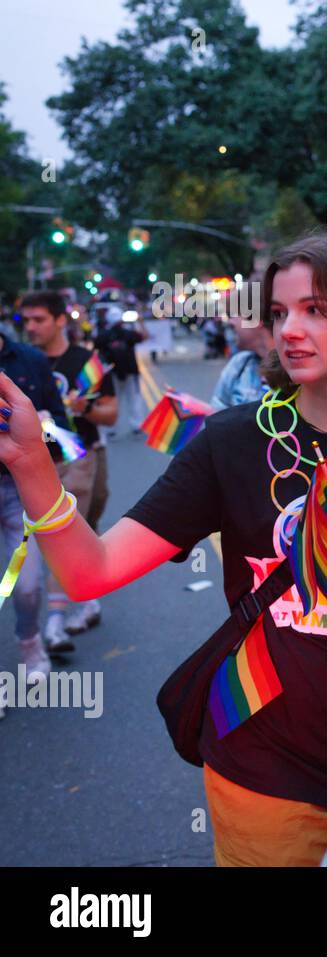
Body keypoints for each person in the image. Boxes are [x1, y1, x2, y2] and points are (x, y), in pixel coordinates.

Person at [0, 232, 327, 863]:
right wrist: (33, 469)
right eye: (280, 312)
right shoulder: (229, 444)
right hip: (264, 763)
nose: (289, 329)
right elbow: (90, 571)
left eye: (316, 309)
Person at [21, 291, 119, 654]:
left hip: (78, 452)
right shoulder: (20, 362)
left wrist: (83, 409)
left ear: (61, 320)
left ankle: (56, 621)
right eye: (25, 321)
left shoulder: (84, 362)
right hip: (33, 461)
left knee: (68, 532)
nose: (30, 327)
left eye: (38, 320)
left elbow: (111, 414)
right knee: (61, 536)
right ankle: (83, 602)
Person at [0, 313, 71, 696]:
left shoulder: (29, 360)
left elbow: (59, 421)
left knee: (25, 585)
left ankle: (30, 643)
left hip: (16, 490)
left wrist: (45, 425)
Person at [94, 308, 147, 435]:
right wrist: (141, 322)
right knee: (133, 398)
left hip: (112, 373)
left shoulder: (103, 335)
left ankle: (111, 427)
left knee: (112, 399)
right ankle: (136, 425)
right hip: (128, 372)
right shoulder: (128, 333)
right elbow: (144, 336)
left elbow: (94, 347)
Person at [210, 319, 272, 410]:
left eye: (238, 313)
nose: (231, 321)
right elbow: (216, 414)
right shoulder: (240, 363)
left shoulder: (293, 371)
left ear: (258, 320)